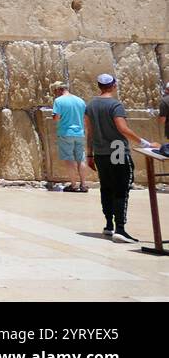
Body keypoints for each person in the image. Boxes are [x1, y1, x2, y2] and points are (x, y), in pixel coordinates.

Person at [85, 74, 151, 244]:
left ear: (99, 85)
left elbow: (89, 131)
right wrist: (145, 143)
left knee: (106, 187)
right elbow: (122, 128)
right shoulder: (115, 105)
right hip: (117, 148)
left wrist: (89, 154)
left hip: (100, 152)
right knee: (121, 187)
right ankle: (120, 228)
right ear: (113, 85)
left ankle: (109, 225)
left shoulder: (90, 105)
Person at [49, 80, 88, 193]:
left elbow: (56, 117)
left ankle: (74, 185)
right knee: (81, 159)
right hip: (79, 133)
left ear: (58, 90)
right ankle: (84, 185)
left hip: (66, 133)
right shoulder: (80, 101)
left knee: (69, 159)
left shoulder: (59, 101)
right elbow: (85, 117)